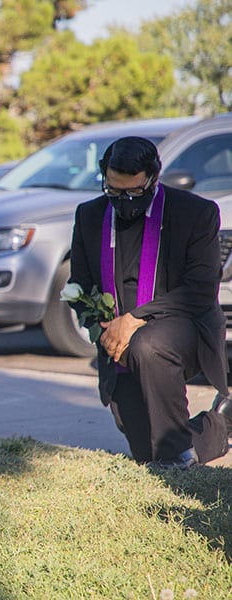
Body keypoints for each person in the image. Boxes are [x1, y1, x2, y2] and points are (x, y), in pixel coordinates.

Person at [68, 136, 229, 468]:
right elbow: (79, 287)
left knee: (147, 344)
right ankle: (220, 424)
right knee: (147, 452)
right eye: (114, 192)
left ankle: (178, 460)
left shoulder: (195, 213)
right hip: (118, 340)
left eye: (134, 193)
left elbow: (199, 291)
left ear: (154, 178)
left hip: (185, 329)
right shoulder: (89, 215)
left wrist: (135, 319)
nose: (124, 202)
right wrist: (101, 329)